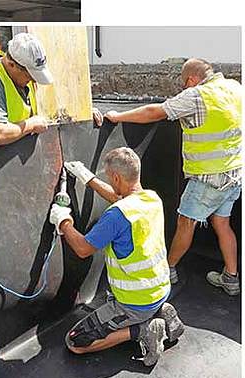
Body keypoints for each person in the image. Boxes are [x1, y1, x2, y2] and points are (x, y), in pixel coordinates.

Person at [102, 58, 242, 295]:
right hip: (235, 173)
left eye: (184, 84)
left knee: (185, 223)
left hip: (208, 178)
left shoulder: (197, 95)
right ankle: (231, 277)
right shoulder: (235, 88)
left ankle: (168, 269)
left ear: (191, 80)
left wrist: (117, 116)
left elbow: (154, 112)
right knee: (222, 223)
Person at [53, 147, 185, 366]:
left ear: (116, 176)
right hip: (160, 289)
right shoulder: (152, 199)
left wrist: (63, 222)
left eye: (109, 177)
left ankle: (143, 329)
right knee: (140, 304)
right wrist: (89, 178)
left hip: (135, 302)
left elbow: (83, 249)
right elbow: (120, 197)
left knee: (75, 341)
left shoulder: (116, 216)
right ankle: (161, 312)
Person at [0, 32, 54, 146]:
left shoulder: (25, 80)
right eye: (29, 75)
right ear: (11, 64)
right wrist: (31, 125)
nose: (33, 81)